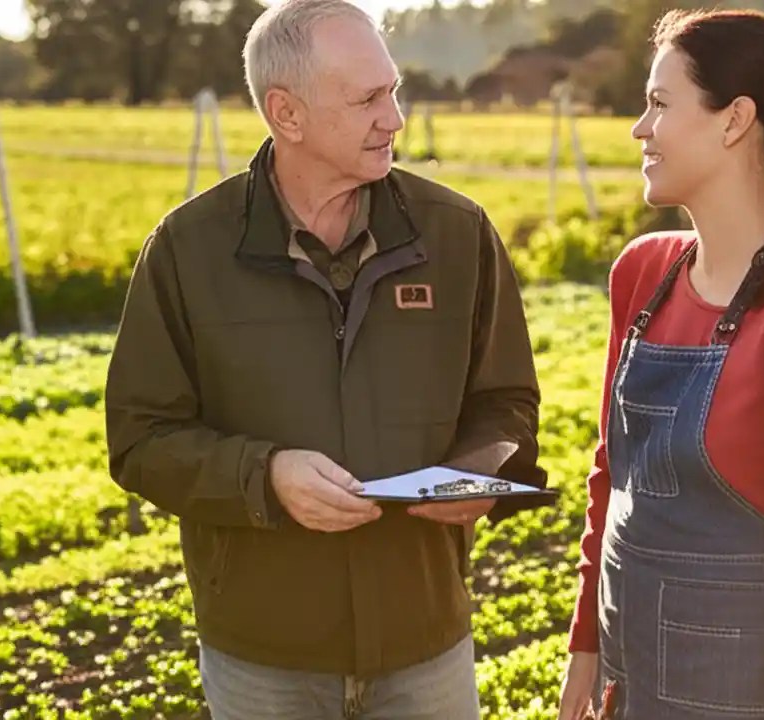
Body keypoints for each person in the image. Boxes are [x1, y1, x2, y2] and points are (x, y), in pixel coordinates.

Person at [103, 1, 546, 718]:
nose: (395, 117)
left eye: (393, 90)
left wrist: (478, 468)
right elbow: (140, 440)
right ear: (288, 113)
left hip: (426, 645)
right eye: (368, 98)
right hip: (263, 658)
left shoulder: (459, 235)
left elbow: (508, 403)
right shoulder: (188, 250)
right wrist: (264, 476)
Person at [557, 9, 764, 720]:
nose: (640, 129)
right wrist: (585, 645)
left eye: (660, 104)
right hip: (624, 685)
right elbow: (614, 475)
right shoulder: (642, 275)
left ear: (735, 120)